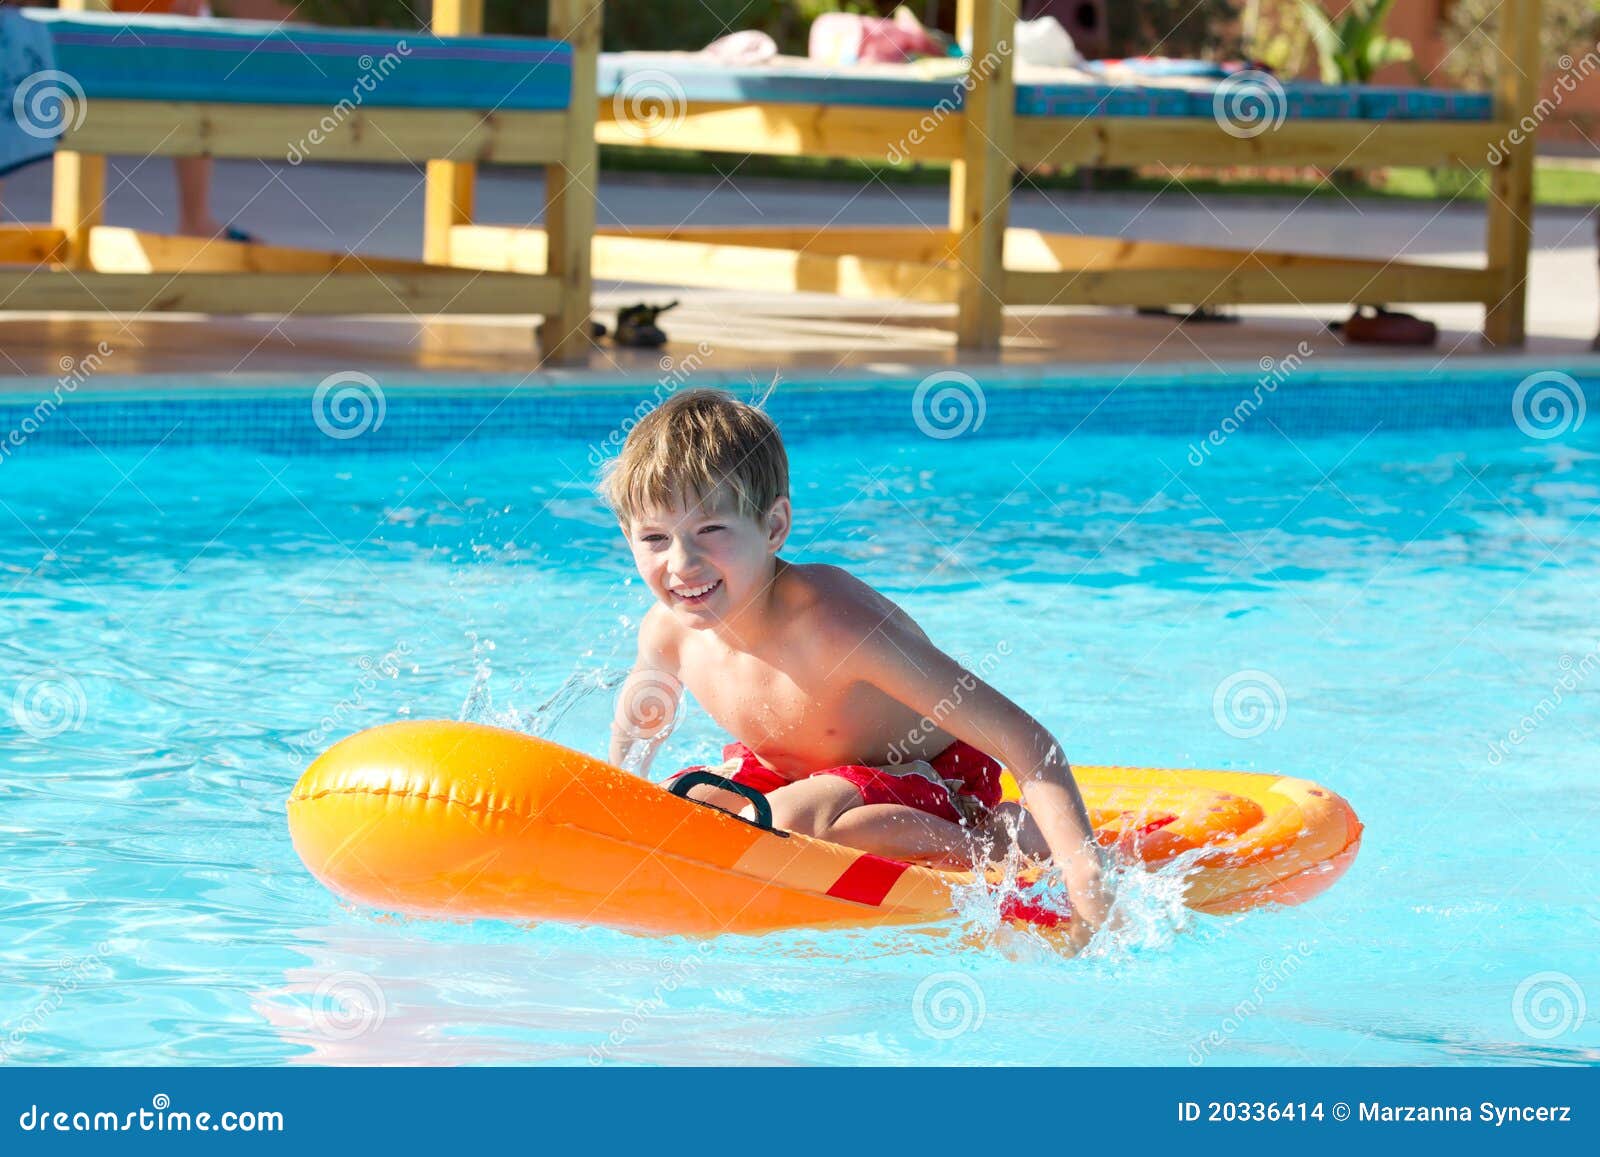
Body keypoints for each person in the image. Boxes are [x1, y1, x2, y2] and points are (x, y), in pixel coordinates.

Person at [603, 388, 1114, 946]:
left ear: (774, 528)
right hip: (800, 778)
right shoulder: (666, 632)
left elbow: (1027, 741)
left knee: (784, 821)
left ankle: (996, 837)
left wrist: (1084, 872)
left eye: (711, 531)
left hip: (931, 781)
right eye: (655, 538)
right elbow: (639, 729)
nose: (681, 563)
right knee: (680, 808)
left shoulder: (835, 626)